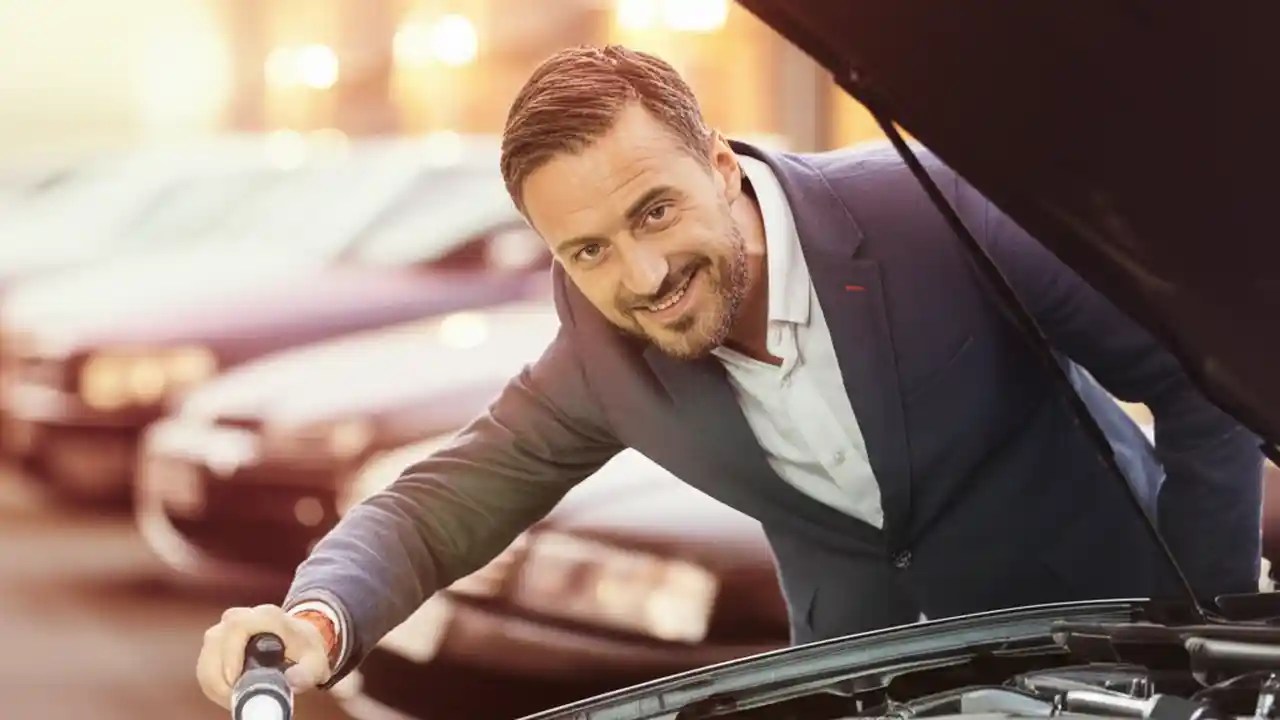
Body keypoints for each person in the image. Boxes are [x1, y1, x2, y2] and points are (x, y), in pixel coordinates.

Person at [196, 45, 1263, 708]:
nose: (641, 275)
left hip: (1111, 680)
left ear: (716, 163)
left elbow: (1190, 381)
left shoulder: (930, 208)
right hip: (870, 695)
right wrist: (315, 620)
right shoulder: (598, 347)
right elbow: (436, 507)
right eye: (588, 251)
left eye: (653, 211)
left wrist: (1202, 630)